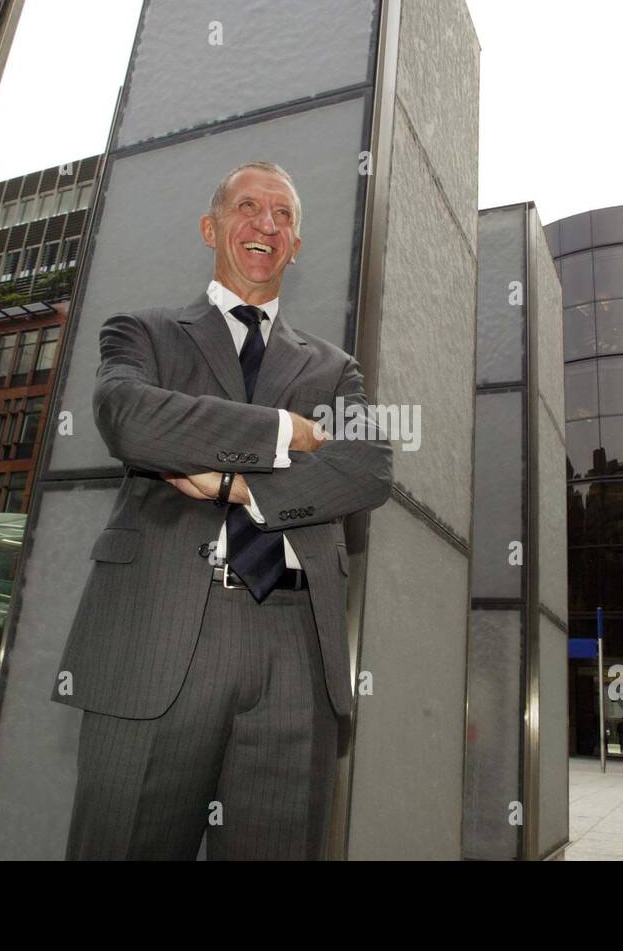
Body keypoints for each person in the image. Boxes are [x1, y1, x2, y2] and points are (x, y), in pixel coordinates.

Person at [52, 162, 394, 861]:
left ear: (296, 245)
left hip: (297, 648)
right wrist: (282, 431)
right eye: (248, 207)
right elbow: (133, 421)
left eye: (284, 216)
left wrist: (239, 486)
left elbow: (367, 466)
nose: (266, 224)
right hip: (159, 637)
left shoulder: (335, 371)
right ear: (212, 227)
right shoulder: (143, 333)